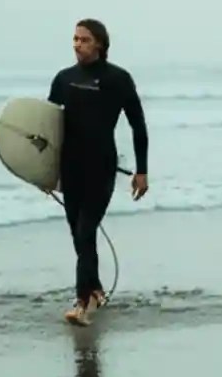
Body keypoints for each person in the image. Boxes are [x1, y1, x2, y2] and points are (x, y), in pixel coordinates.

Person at [46, 18, 149, 325]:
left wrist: (141, 171)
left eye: (85, 39)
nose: (78, 44)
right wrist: (44, 171)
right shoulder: (64, 79)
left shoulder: (118, 79)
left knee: (86, 231)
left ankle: (81, 303)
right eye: (75, 39)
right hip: (70, 168)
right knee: (80, 237)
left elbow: (137, 124)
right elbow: (48, 129)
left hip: (101, 167)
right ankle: (95, 289)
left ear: (100, 44)